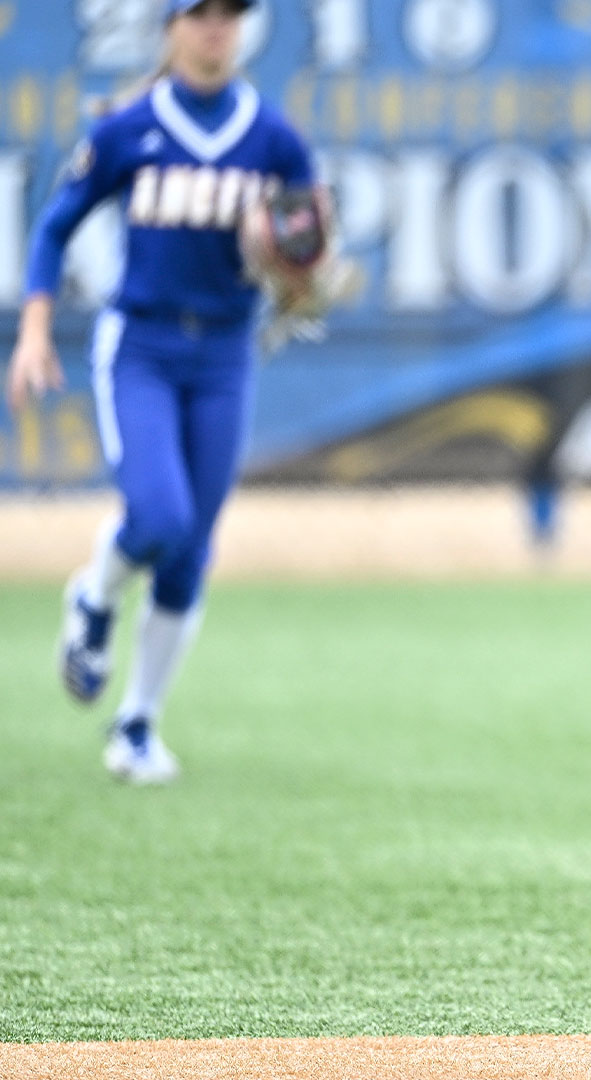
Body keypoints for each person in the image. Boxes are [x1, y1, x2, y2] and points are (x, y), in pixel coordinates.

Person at [6, 0, 319, 784]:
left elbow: (306, 246)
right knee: (160, 513)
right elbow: (54, 225)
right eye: (200, 13)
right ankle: (94, 595)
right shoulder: (128, 127)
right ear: (171, 27)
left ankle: (137, 723)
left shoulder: (272, 135)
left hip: (223, 353)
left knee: (191, 552)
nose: (217, 27)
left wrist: (294, 270)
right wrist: (37, 329)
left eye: (230, 14)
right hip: (141, 344)